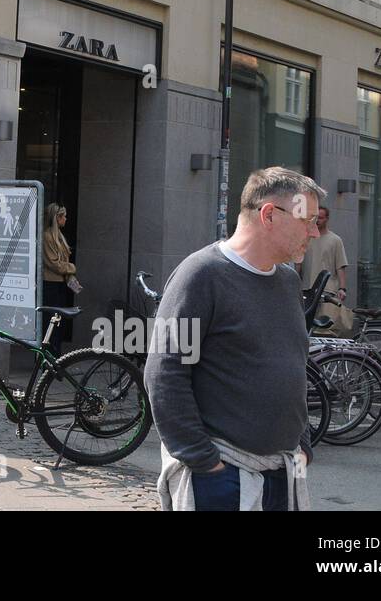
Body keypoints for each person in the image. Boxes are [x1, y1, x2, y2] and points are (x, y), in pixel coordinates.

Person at [147, 166, 319, 512]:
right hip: (221, 476)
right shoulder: (200, 275)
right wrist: (204, 462)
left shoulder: (288, 283)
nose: (314, 231)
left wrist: (302, 445)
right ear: (269, 215)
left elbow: (295, 366)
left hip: (282, 470)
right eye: (307, 220)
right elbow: (164, 373)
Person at [297, 205, 352, 336]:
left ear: (327, 219)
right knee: (305, 327)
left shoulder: (335, 240)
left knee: (326, 329)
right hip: (306, 289)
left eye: (320, 218)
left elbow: (340, 266)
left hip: (327, 291)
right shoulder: (306, 238)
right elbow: (298, 264)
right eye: (315, 217)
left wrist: (342, 288)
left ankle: (328, 355)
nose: (317, 220)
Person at [41, 203, 79, 352]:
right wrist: (72, 268)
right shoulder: (47, 236)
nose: (66, 219)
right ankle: (49, 356)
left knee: (58, 323)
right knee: (50, 322)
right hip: (50, 284)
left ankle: (55, 356)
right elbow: (54, 263)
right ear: (57, 218)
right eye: (63, 216)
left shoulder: (59, 237)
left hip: (61, 283)